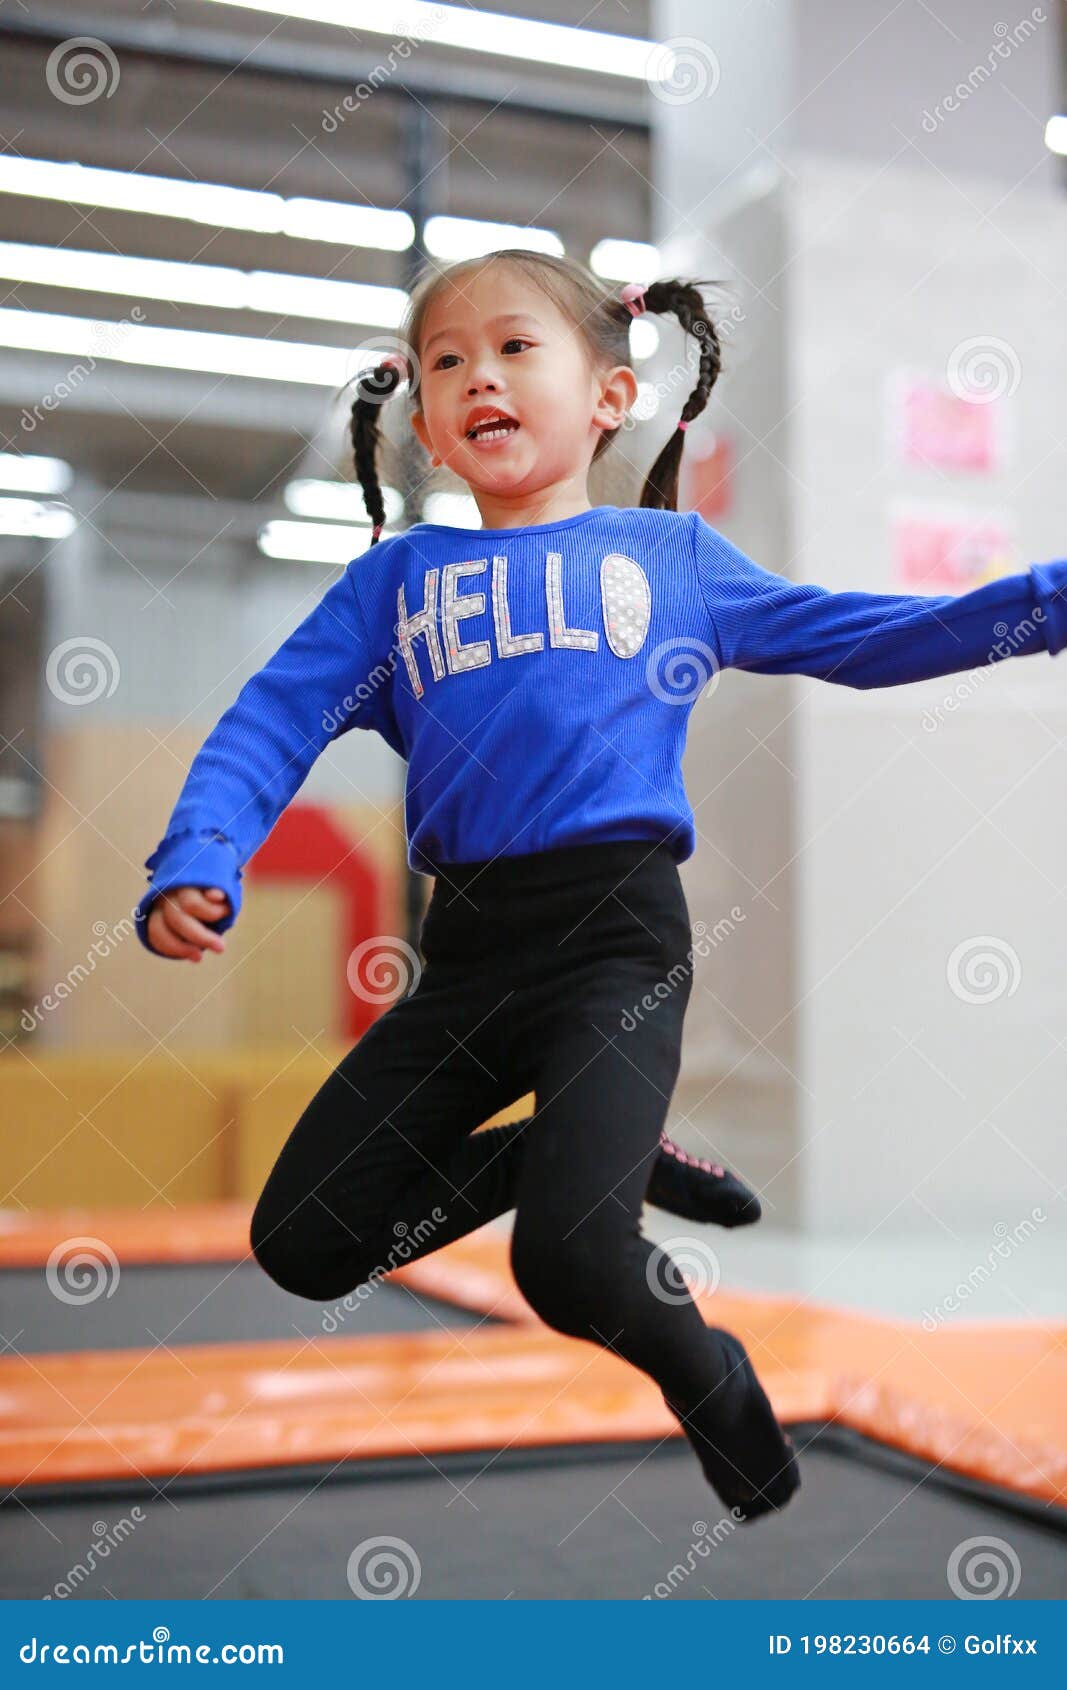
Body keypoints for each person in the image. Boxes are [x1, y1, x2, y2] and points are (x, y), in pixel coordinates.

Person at [136, 249, 1066, 1522]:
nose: (479, 377)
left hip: (612, 947)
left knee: (570, 1263)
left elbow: (867, 637)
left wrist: (1046, 603)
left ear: (609, 397)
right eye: (447, 362)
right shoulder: (391, 587)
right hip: (465, 957)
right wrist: (199, 852)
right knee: (304, 1241)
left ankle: (710, 1373)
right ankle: (544, 1153)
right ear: (425, 426)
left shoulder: (668, 558)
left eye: (515, 348)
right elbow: (267, 724)